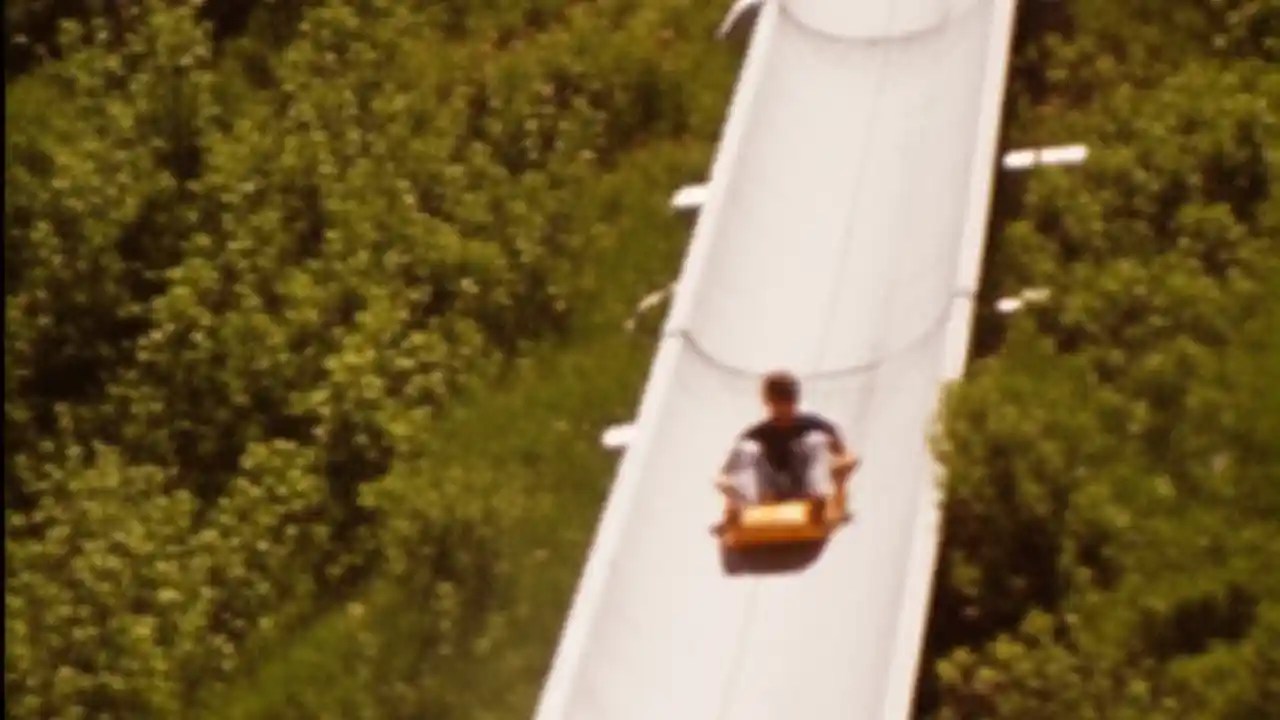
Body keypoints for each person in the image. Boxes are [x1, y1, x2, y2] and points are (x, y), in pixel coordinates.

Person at [716, 371, 858, 515]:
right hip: (770, 491)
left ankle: (817, 500)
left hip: (805, 489)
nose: (783, 411)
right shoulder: (756, 435)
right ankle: (738, 508)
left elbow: (846, 456)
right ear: (768, 402)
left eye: (787, 403)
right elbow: (728, 474)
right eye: (777, 404)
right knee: (748, 449)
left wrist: (842, 469)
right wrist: (729, 495)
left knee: (813, 441)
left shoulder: (816, 427)